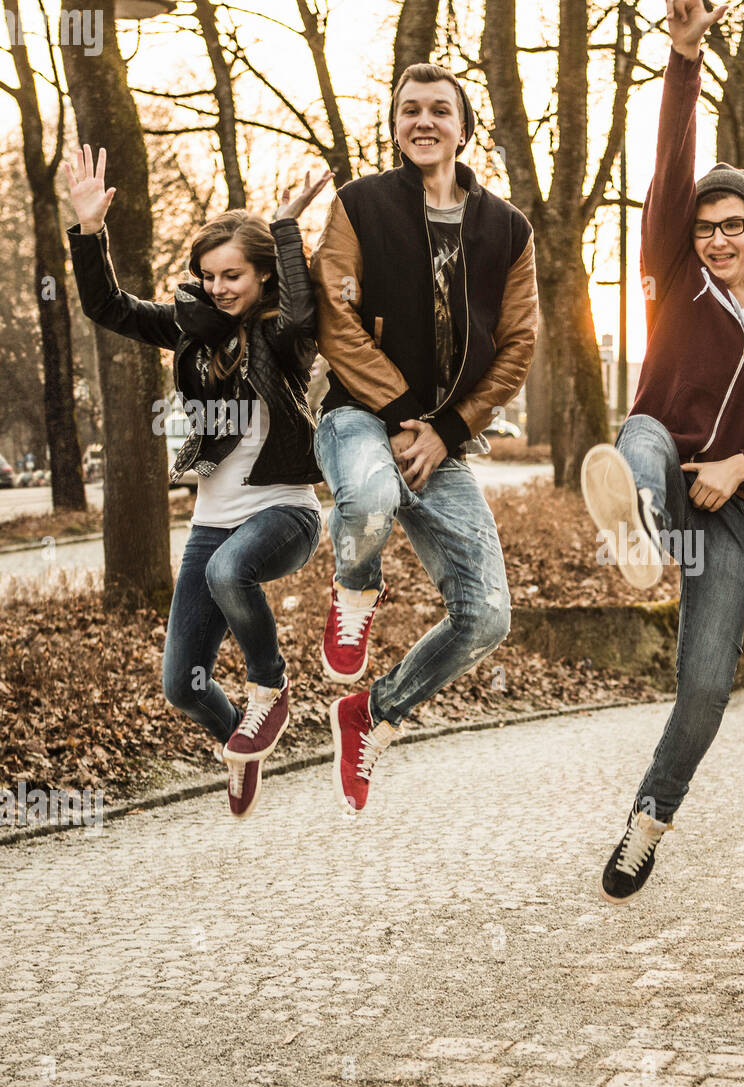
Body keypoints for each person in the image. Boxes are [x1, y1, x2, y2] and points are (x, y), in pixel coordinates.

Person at [579, 0, 744, 904]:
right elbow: (668, 169)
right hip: (660, 453)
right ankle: (637, 534)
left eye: (734, 224)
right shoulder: (678, 278)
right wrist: (683, 57)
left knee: (704, 689)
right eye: (706, 226)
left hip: (734, 508)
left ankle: (649, 818)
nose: (718, 237)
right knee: (641, 440)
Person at [65, 144, 333, 818]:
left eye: (234, 275)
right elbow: (111, 309)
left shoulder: (286, 334)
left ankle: (269, 687)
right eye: (209, 276)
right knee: (182, 685)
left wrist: (286, 228)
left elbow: (304, 313)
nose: (218, 288)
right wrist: (90, 232)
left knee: (229, 572)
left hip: (285, 512)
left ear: (264, 276)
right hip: (213, 523)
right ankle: (239, 742)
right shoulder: (191, 332)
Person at [309, 62, 538, 814]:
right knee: (369, 495)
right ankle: (355, 590)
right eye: (409, 110)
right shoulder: (359, 205)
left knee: (488, 616)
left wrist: (447, 428)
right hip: (357, 419)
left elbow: (517, 346)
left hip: (442, 440)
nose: (423, 121)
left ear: (465, 129)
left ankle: (373, 712)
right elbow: (335, 316)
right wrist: (411, 410)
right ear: (396, 126)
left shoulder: (507, 229)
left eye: (440, 109)